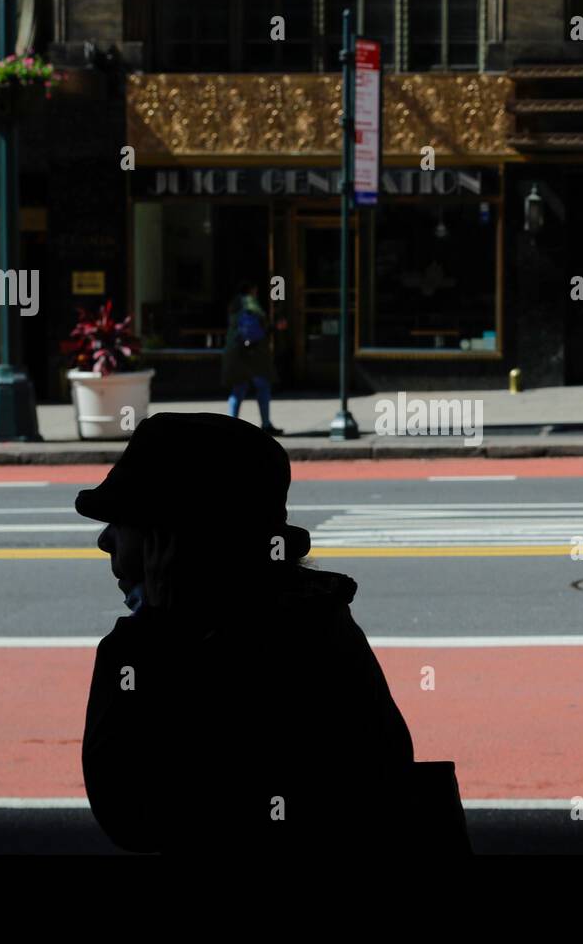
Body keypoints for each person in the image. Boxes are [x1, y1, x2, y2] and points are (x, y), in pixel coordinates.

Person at [76, 412, 470, 855]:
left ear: (176, 542)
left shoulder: (230, 646)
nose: (105, 540)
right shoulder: (318, 619)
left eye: (125, 521)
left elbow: (132, 814)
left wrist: (158, 631)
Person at [222, 281, 283, 436]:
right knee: (263, 387)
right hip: (253, 354)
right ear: (252, 289)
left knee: (238, 390)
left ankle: (230, 425)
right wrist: (274, 327)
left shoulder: (234, 304)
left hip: (236, 352)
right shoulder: (249, 304)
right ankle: (266, 423)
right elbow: (253, 331)